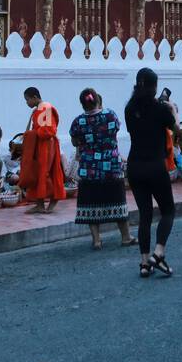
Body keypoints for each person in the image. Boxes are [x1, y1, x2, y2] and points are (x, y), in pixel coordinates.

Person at [124, 67, 182, 278]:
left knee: (145, 215)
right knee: (168, 210)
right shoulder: (160, 109)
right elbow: (177, 130)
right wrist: (173, 110)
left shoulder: (129, 108)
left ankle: (144, 263)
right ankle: (158, 254)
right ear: (154, 86)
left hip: (135, 166)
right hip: (155, 166)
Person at [69, 88, 135, 250]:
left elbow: (74, 142)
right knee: (117, 199)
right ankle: (126, 236)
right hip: (110, 167)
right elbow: (115, 130)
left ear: (82, 104)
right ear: (97, 100)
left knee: (90, 201)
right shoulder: (110, 115)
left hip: (88, 168)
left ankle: (97, 240)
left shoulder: (78, 121)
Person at [19, 87, 66, 213]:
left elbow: (48, 130)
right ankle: (39, 204)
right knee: (38, 173)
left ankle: (53, 200)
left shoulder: (45, 108)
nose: (27, 103)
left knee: (47, 173)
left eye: (27, 99)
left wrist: (31, 134)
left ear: (35, 97)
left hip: (47, 146)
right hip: (40, 146)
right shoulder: (39, 109)